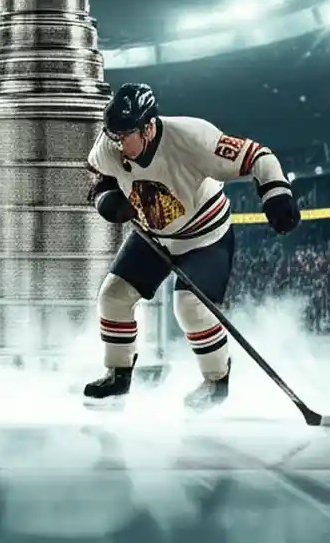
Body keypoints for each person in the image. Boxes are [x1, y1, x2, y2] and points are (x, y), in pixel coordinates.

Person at [82, 83, 301, 410]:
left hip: (205, 237)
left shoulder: (192, 138)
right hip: (153, 234)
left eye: (124, 135)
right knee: (113, 297)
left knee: (191, 308)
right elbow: (98, 177)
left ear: (149, 126)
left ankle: (216, 382)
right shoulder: (110, 144)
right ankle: (118, 375)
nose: (116, 143)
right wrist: (105, 199)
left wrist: (276, 192)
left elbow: (258, 156)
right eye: (112, 135)